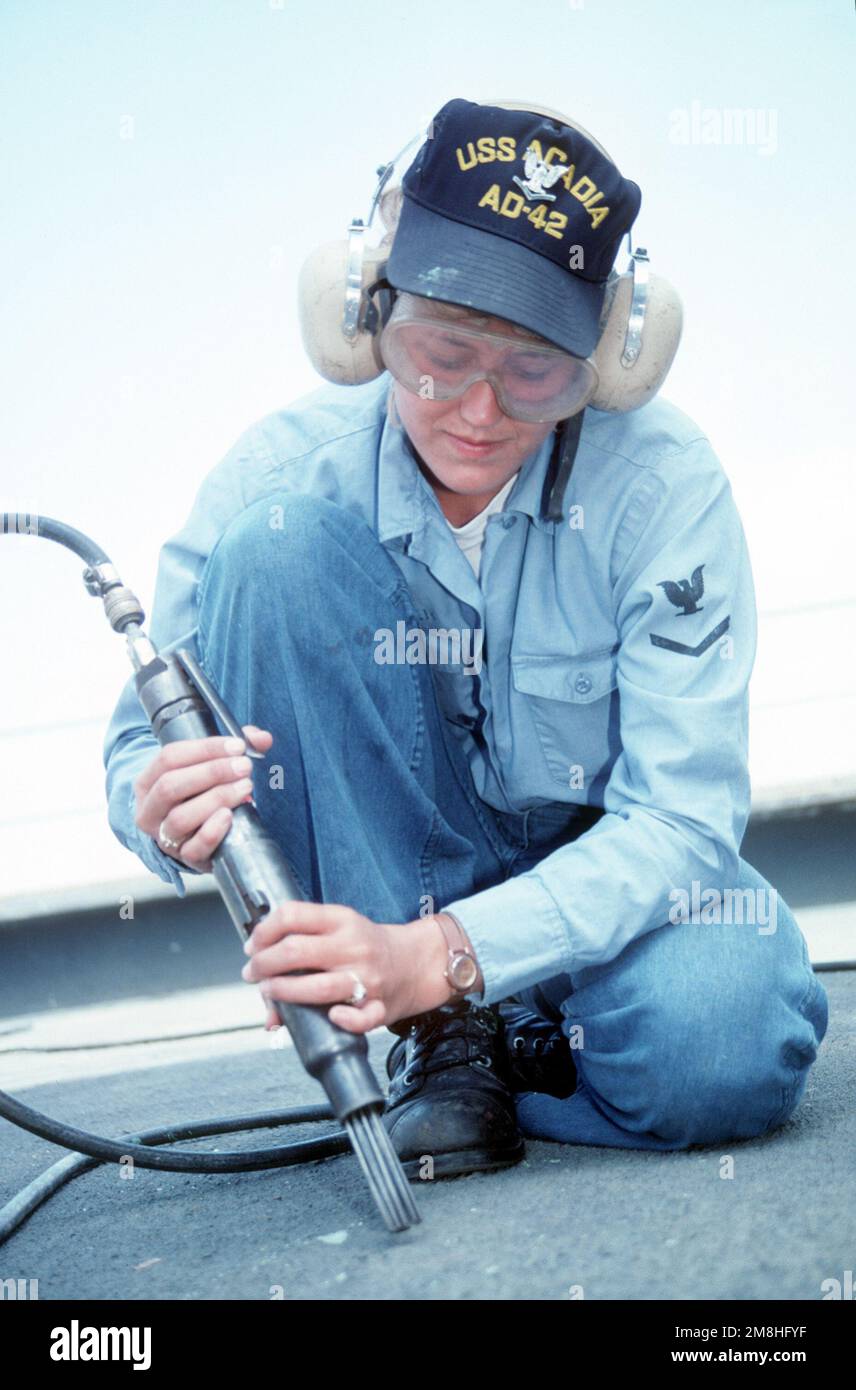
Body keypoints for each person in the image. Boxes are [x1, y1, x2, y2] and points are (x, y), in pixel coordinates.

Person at [103, 97, 828, 1180]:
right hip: (395, 888)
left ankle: (494, 1043)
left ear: (612, 357)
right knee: (277, 548)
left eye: (535, 369)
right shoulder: (276, 476)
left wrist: (441, 957)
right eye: (441, 351)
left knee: (723, 1037)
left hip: (603, 899)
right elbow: (134, 753)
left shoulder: (665, 486)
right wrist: (160, 807)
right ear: (363, 316)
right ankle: (445, 1047)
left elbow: (681, 821)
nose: (480, 410)